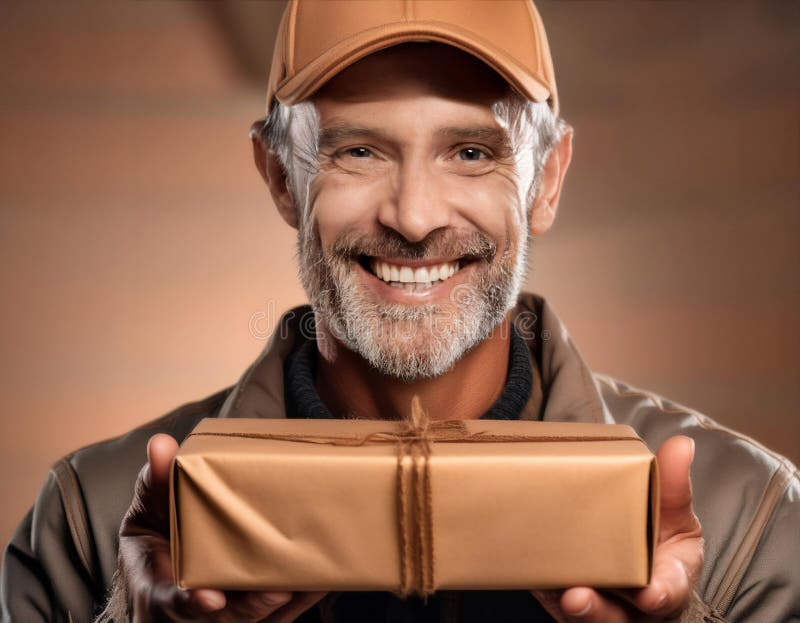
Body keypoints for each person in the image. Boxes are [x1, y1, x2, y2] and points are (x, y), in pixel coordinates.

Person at [2, 1, 798, 622]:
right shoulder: (87, 519)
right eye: (358, 150)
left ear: (547, 180)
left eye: (472, 152)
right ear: (280, 177)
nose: (414, 217)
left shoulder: (752, 522)